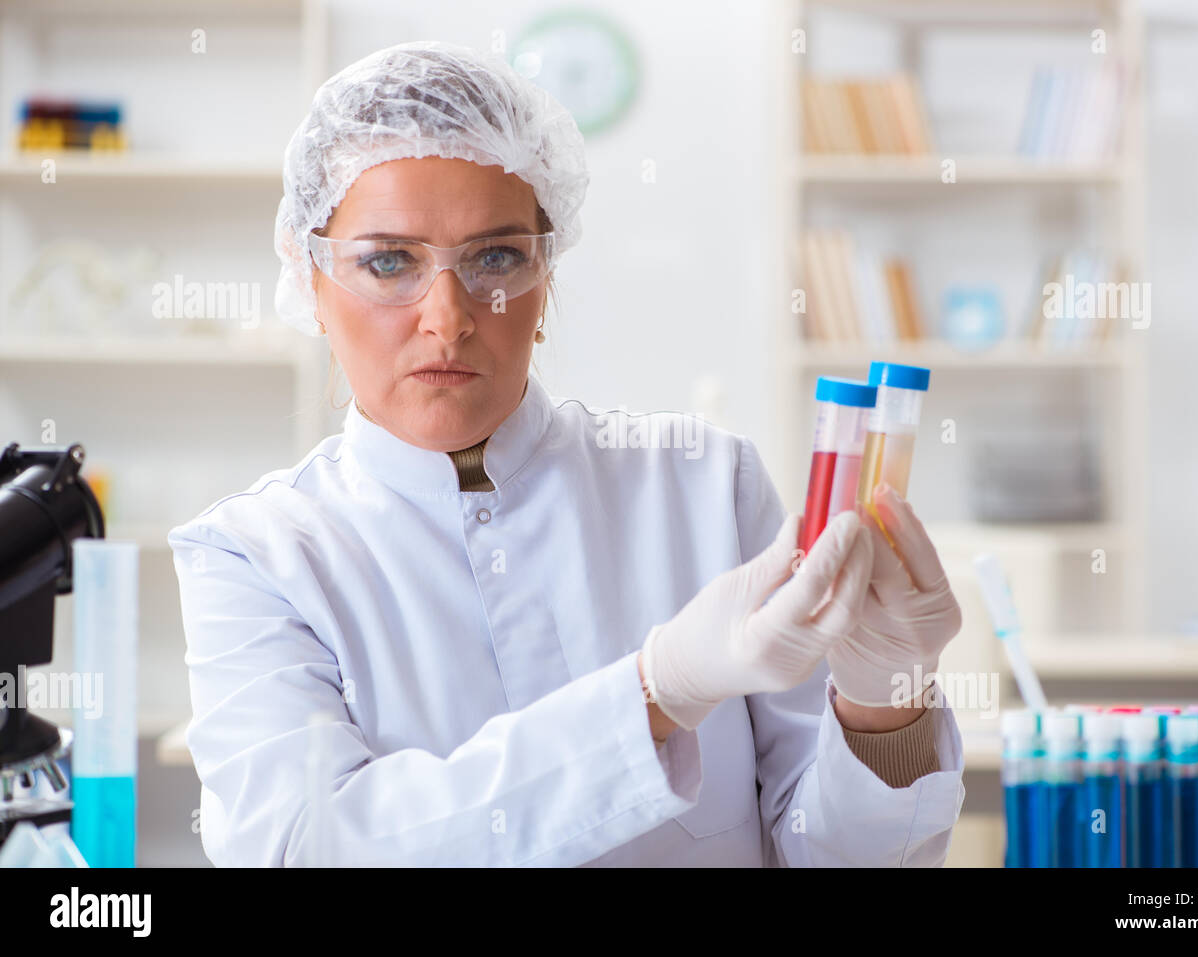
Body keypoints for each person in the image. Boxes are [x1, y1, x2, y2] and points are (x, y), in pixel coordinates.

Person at [168, 39, 966, 867]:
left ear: (545, 277)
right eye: (389, 261)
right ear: (313, 282)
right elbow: (310, 848)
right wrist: (658, 690)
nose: (448, 316)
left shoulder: (704, 485)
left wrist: (885, 709)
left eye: (495, 258)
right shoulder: (257, 556)